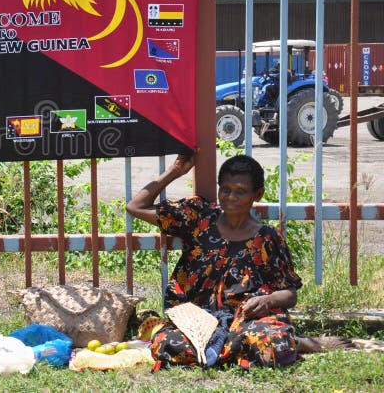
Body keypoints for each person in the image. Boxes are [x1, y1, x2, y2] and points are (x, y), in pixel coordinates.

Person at [126, 153, 345, 370]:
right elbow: (135, 207)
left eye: (240, 191)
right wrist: (175, 171)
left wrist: (267, 300)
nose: (231, 197)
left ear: (257, 194)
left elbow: (289, 294)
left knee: (274, 344)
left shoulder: (268, 237)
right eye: (226, 189)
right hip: (196, 321)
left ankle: (237, 346)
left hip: (247, 319)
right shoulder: (198, 217)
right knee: (167, 343)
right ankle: (254, 345)